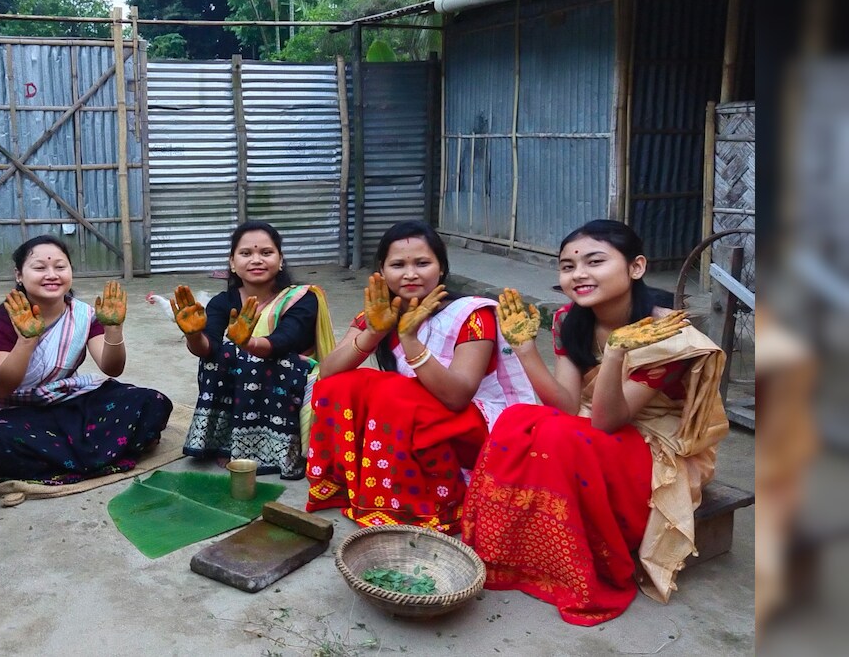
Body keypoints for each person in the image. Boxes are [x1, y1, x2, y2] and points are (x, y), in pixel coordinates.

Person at [460, 219, 729, 626]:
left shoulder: (670, 333)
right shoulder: (571, 319)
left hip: (656, 446)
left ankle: (573, 563)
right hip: (593, 426)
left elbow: (607, 422)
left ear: (636, 267)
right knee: (519, 420)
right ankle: (513, 550)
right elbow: (567, 406)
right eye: (567, 266)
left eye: (595, 261)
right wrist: (525, 349)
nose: (578, 274)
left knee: (562, 438)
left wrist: (618, 352)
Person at [304, 221, 535, 531]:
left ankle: (418, 503)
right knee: (344, 386)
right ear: (382, 272)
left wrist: (410, 339)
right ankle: (347, 485)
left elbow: (457, 396)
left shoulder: (472, 314)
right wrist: (375, 331)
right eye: (398, 264)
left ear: (441, 269)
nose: (410, 273)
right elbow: (329, 373)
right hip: (419, 413)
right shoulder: (379, 311)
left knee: (391, 393)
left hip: (478, 422)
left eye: (422, 263)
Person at [0, 235, 172, 493]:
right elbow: (1, 390)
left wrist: (113, 329)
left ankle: (70, 460)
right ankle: (100, 456)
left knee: (151, 401)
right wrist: (26, 340)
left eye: (60, 266)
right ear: (19, 275)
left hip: (67, 399)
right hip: (17, 412)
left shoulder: (83, 314)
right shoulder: (3, 320)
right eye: (39, 267)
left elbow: (111, 368)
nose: (51, 274)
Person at [172, 221, 335, 479]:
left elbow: (283, 342)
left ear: (280, 260)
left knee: (249, 358)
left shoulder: (302, 298)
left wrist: (248, 343)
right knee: (220, 356)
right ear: (233, 263)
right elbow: (208, 349)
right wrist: (193, 335)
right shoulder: (223, 302)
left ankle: (276, 449)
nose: (256, 260)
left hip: (293, 376)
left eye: (266, 253)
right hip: (247, 373)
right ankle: (226, 442)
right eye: (246, 254)